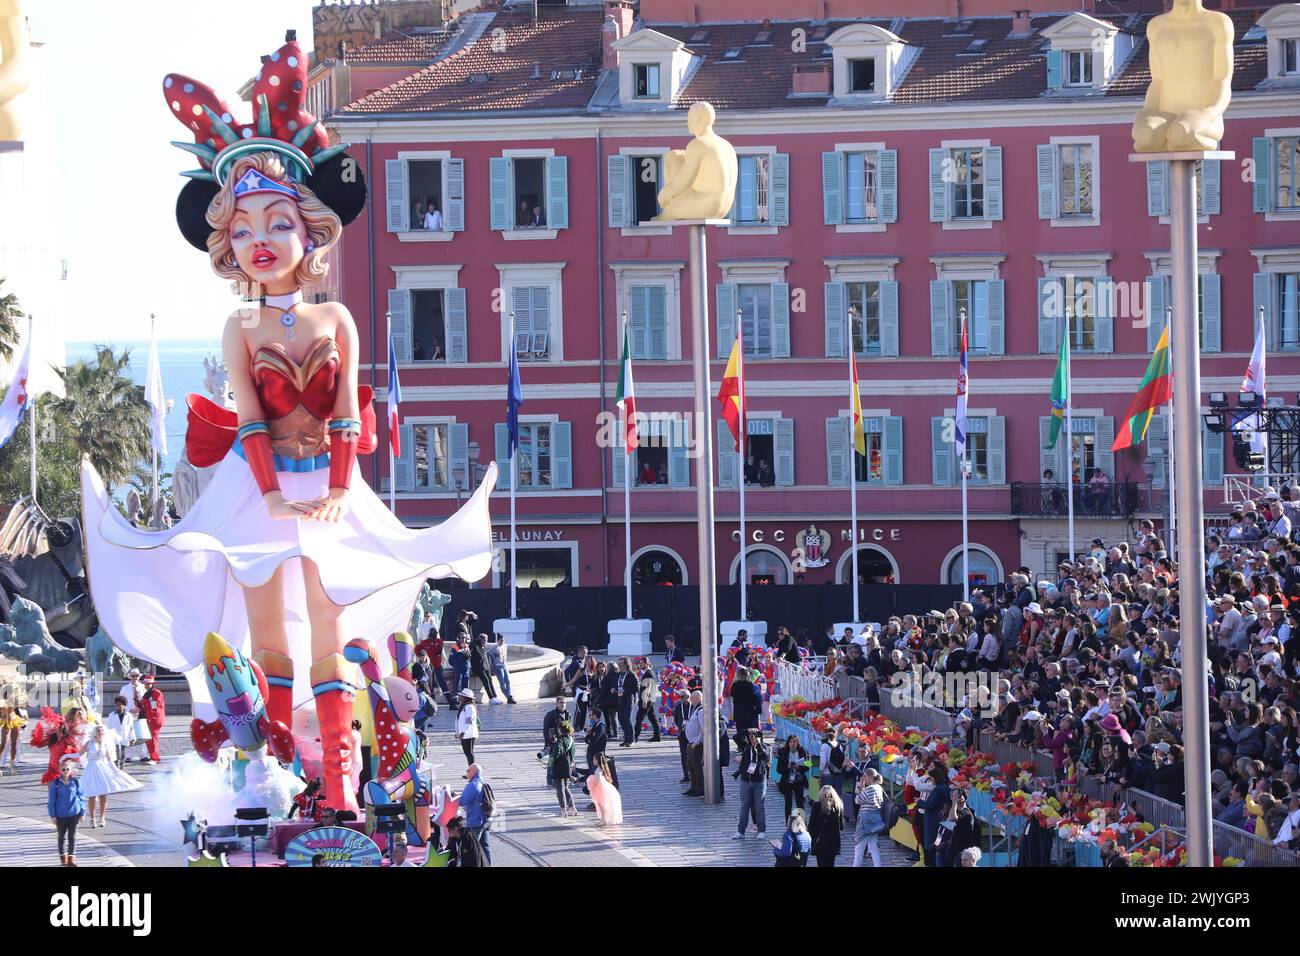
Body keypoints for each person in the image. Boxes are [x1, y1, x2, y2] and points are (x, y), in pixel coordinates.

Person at [81, 47, 496, 818]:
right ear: (225, 244)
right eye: (242, 228)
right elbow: (245, 421)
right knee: (267, 640)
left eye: (277, 221)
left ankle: (338, 791)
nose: (260, 239)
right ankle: (275, 784)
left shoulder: (334, 317)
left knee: (327, 640)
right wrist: (273, 495)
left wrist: (339, 490)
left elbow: (345, 412)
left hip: (328, 488)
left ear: (311, 229)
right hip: (256, 493)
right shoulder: (239, 324)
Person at [76, 723, 140, 828]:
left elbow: (109, 760)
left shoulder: (105, 744)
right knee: (92, 794)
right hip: (91, 769)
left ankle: (102, 818)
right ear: (95, 733)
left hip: (102, 768)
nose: (100, 732)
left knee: (103, 794)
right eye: (98, 731)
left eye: (102, 731)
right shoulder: (89, 743)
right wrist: (67, 756)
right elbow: (78, 754)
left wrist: (115, 770)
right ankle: (93, 819)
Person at [48, 754, 86, 867]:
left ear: (71, 770)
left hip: (74, 812)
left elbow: (81, 796)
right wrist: (52, 815)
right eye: (63, 769)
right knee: (61, 836)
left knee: (72, 836)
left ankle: (71, 859)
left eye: (67, 769)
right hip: (60, 814)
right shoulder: (55, 783)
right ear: (60, 770)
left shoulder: (75, 782)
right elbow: (51, 801)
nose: (65, 771)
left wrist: (83, 812)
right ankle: (63, 857)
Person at [732, 728, 769, 839]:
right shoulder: (746, 747)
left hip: (759, 781)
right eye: (751, 737)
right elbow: (736, 737)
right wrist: (747, 730)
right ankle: (740, 831)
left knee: (759, 806)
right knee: (744, 806)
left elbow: (765, 756)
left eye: (755, 737)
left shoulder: (764, 747)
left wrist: (758, 744)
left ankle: (761, 830)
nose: (753, 739)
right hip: (746, 780)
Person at [853, 767, 887, 867]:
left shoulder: (870, 789)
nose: (863, 778)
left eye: (864, 776)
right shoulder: (879, 787)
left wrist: (860, 787)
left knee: (859, 847)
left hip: (866, 820)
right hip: (875, 820)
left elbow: (857, 800)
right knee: (873, 847)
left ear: (869, 777)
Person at [459, 762, 492, 865]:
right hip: (486, 819)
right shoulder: (483, 782)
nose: (466, 772)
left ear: (473, 772)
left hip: (476, 821)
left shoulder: (472, 785)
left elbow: (462, 801)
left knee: (473, 847)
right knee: (485, 846)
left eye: (468, 770)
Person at [919, 765, 951, 868]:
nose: (931, 780)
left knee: (932, 844)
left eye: (931, 778)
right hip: (938, 819)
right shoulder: (944, 786)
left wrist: (919, 801)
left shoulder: (938, 789)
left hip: (932, 820)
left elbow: (930, 805)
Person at [808, 783, 844, 867]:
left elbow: (811, 824)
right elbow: (841, 826)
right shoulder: (838, 805)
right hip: (833, 841)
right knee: (831, 864)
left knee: (820, 863)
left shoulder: (817, 805)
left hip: (820, 840)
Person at [776, 734, 809, 822]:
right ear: (788, 743)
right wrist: (787, 767)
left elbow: (808, 765)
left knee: (800, 803)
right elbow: (778, 770)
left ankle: (803, 823)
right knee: (788, 803)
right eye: (790, 742)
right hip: (787, 781)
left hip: (798, 780)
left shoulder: (802, 751)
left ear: (797, 743)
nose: (792, 744)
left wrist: (799, 767)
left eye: (794, 742)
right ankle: (788, 823)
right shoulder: (783, 752)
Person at [587, 752, 623, 826]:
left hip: (602, 788)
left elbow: (599, 778)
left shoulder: (599, 769)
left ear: (597, 760)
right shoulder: (601, 767)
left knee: (602, 804)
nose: (593, 761)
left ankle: (604, 820)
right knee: (601, 804)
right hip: (603, 787)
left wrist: (595, 782)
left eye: (594, 759)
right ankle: (604, 819)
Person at [550, 720, 577, 817]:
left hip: (559, 767)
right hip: (568, 766)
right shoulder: (571, 739)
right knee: (565, 787)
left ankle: (563, 810)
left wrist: (551, 761)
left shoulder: (561, 740)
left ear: (559, 730)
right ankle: (572, 808)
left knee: (559, 789)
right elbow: (572, 753)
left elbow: (557, 751)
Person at [0, 676, 27, 771]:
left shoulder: (16, 699)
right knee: (3, 744)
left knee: (14, 743)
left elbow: (22, 707)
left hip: (15, 721)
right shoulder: (2, 701)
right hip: (6, 722)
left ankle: (12, 763)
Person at [138, 675, 165, 764]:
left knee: (153, 738)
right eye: (145, 684)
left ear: (151, 684)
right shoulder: (147, 693)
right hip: (148, 718)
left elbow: (155, 705)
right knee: (149, 738)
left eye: (147, 684)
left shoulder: (157, 693)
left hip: (155, 719)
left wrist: (143, 701)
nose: (146, 685)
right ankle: (153, 756)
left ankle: (154, 758)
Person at [103, 695, 137, 769]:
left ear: (124, 705)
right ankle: (115, 768)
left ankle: (121, 768)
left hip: (124, 736)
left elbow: (131, 727)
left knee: (122, 754)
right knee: (115, 753)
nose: (119, 706)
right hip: (114, 737)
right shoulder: (111, 715)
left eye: (121, 704)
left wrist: (133, 738)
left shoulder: (129, 715)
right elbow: (109, 727)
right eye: (117, 704)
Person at [683, 690, 705, 797]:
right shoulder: (695, 709)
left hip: (696, 743)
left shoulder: (700, 710)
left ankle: (700, 789)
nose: (690, 699)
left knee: (697, 766)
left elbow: (703, 728)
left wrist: (696, 742)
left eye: (692, 697)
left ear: (699, 698)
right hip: (691, 742)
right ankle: (694, 787)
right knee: (690, 765)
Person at [542, 696, 569, 785]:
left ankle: (564, 779)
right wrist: (550, 741)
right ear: (556, 704)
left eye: (564, 703)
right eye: (561, 703)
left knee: (565, 760)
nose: (563, 704)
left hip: (565, 742)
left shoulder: (567, 714)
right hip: (553, 742)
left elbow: (569, 728)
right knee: (552, 760)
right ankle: (550, 780)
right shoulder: (551, 715)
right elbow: (547, 730)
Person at [633, 659, 662, 743]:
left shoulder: (648, 673)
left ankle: (634, 737)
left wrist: (645, 700)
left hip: (646, 699)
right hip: (650, 699)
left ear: (647, 663)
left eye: (642, 663)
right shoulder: (649, 672)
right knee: (652, 717)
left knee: (639, 718)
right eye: (640, 663)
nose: (640, 665)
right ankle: (657, 736)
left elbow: (648, 687)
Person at [469, 633, 498, 704]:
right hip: (478, 667)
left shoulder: (484, 646)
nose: (485, 642)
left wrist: (490, 666)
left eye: (486, 640)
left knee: (490, 680)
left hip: (485, 666)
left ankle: (495, 697)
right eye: (484, 640)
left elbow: (485, 656)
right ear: (480, 639)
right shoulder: (474, 645)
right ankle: (491, 698)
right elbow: (469, 655)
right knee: (486, 680)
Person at [488, 635, 516, 704]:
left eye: (503, 641)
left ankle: (510, 696)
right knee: (502, 682)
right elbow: (488, 655)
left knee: (508, 681)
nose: (502, 642)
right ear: (498, 640)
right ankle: (508, 697)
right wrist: (491, 665)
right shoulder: (494, 648)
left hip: (504, 666)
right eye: (501, 641)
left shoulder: (504, 646)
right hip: (498, 666)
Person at [455, 690, 478, 766]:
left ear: (466, 698)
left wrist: (464, 732)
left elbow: (469, 720)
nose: (460, 698)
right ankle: (471, 771)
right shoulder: (464, 706)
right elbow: (459, 720)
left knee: (469, 753)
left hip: (468, 733)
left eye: (462, 697)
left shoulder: (469, 707)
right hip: (464, 734)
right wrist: (457, 732)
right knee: (467, 753)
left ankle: (473, 772)